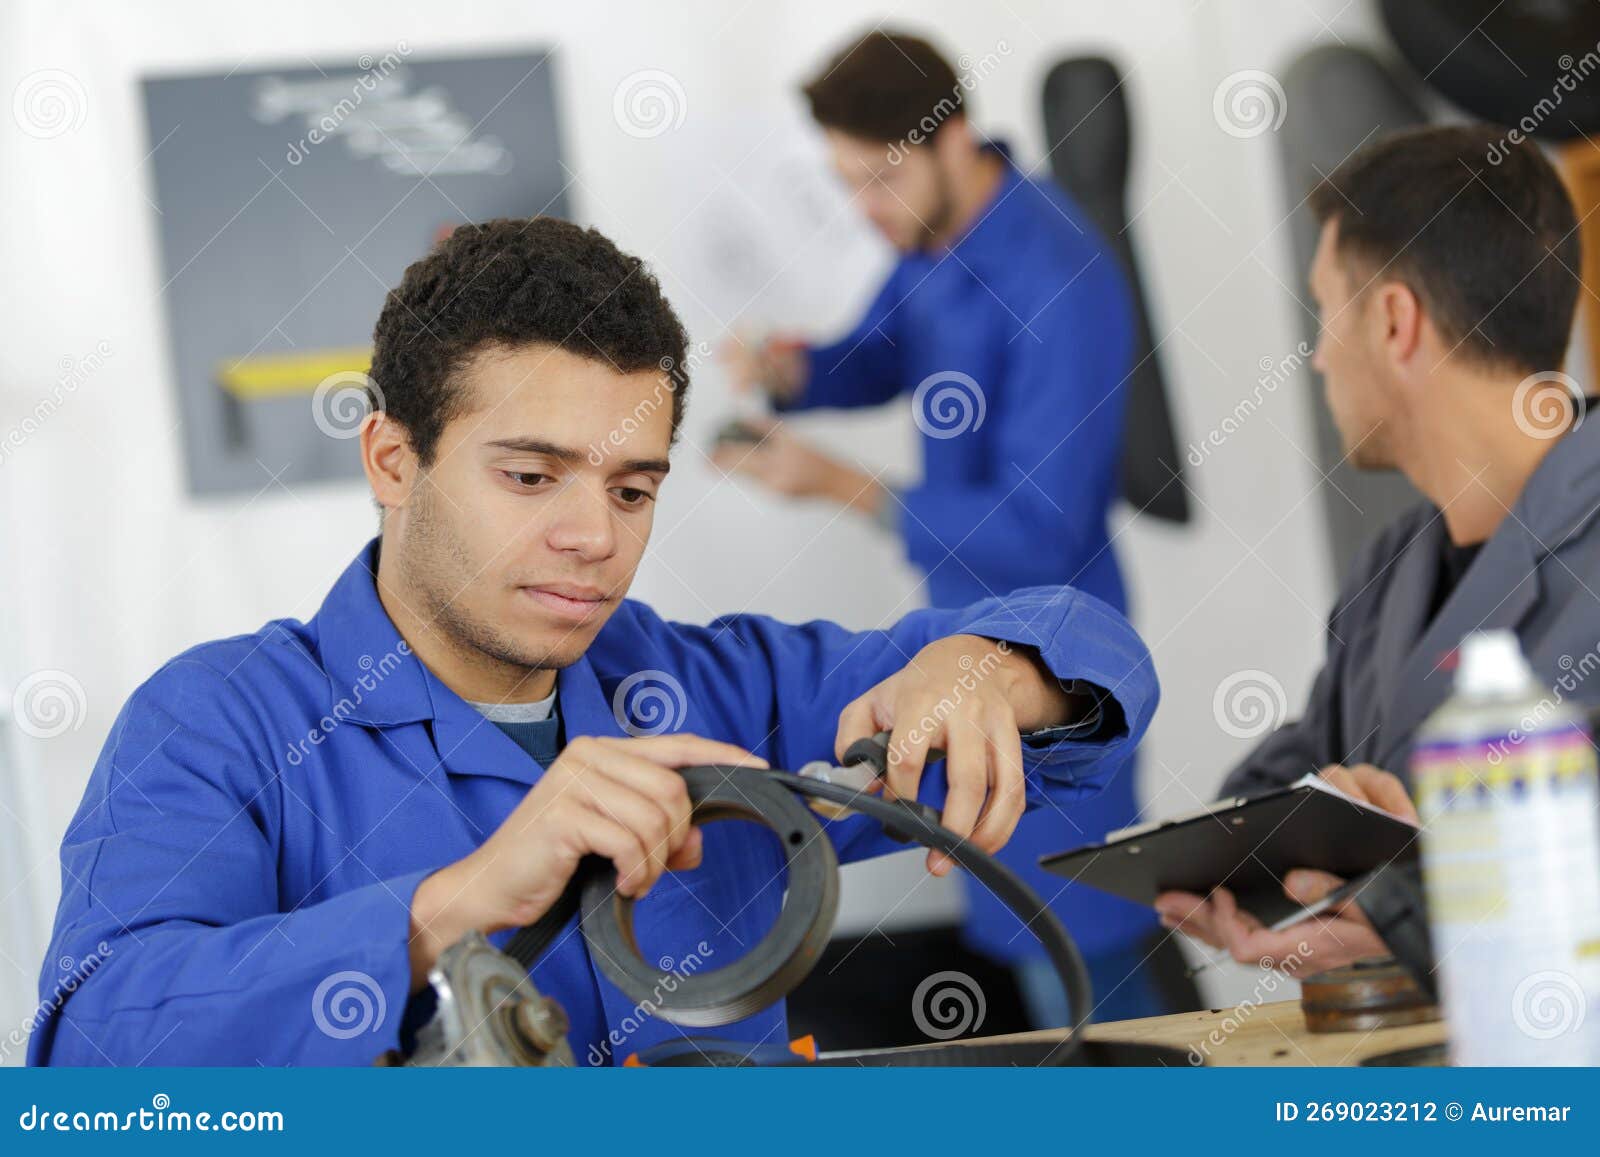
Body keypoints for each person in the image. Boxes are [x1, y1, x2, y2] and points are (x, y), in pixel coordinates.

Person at [30, 217, 1157, 1066]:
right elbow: (94, 1052)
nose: (591, 538)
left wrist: (990, 665)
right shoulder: (221, 721)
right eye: (530, 476)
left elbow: (1089, 654)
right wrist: (455, 902)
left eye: (631, 488)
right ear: (391, 459)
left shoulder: (726, 692)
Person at [715, 29, 1164, 1025]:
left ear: (950, 137)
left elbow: (1044, 526)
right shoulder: (929, 240)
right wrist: (796, 373)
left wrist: (842, 486)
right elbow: (880, 350)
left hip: (1051, 666)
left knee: (1089, 961)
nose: (866, 211)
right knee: (1025, 945)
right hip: (956, 648)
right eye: (848, 185)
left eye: (879, 179)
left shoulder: (1063, 278)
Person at [1157, 124, 1586, 976]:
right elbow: (1294, 768)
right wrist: (1234, 869)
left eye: (1326, 309)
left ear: (1394, 320)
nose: (1318, 356)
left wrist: (1433, 929)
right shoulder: (1392, 569)